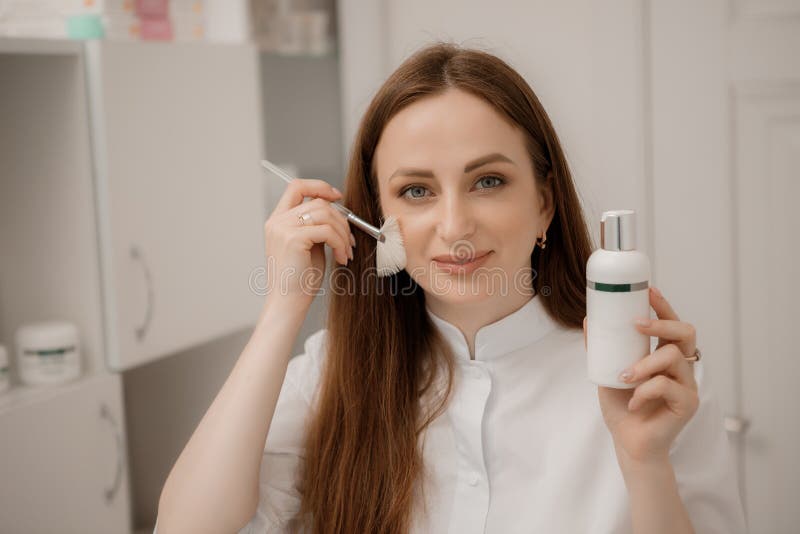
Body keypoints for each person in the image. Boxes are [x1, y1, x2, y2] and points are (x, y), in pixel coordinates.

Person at [155, 43, 747, 534]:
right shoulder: (330, 374)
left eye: (488, 181)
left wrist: (644, 464)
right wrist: (284, 305)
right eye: (416, 191)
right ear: (377, 218)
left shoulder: (649, 381)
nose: (455, 226)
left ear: (544, 205)